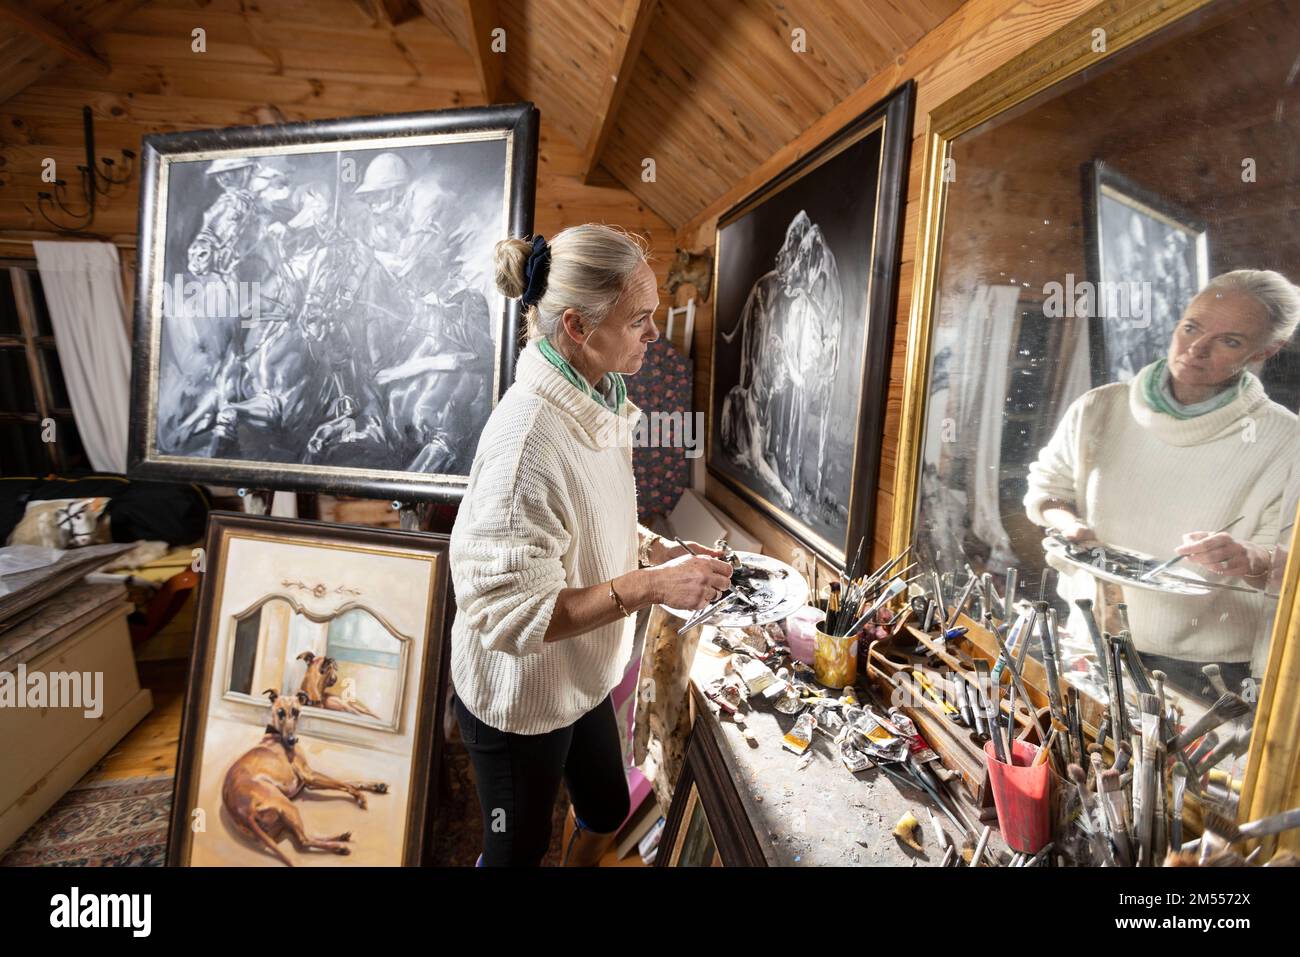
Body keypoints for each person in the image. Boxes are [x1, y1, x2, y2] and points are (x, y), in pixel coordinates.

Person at [448, 224, 734, 866]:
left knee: (606, 809)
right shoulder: (526, 445)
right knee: (514, 856)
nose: (653, 335)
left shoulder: (598, 396)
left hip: (580, 675)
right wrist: (651, 587)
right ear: (578, 327)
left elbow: (584, 518)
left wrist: (648, 550)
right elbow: (508, 614)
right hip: (517, 694)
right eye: (638, 321)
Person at [1025, 269, 1299, 698]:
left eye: (1230, 341)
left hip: (1206, 672)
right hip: (1092, 638)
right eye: (1191, 327)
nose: (1196, 349)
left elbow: (1286, 565)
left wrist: (1248, 556)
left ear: (1269, 349)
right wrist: (1067, 524)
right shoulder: (1102, 406)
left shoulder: (1287, 440)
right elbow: (1047, 487)